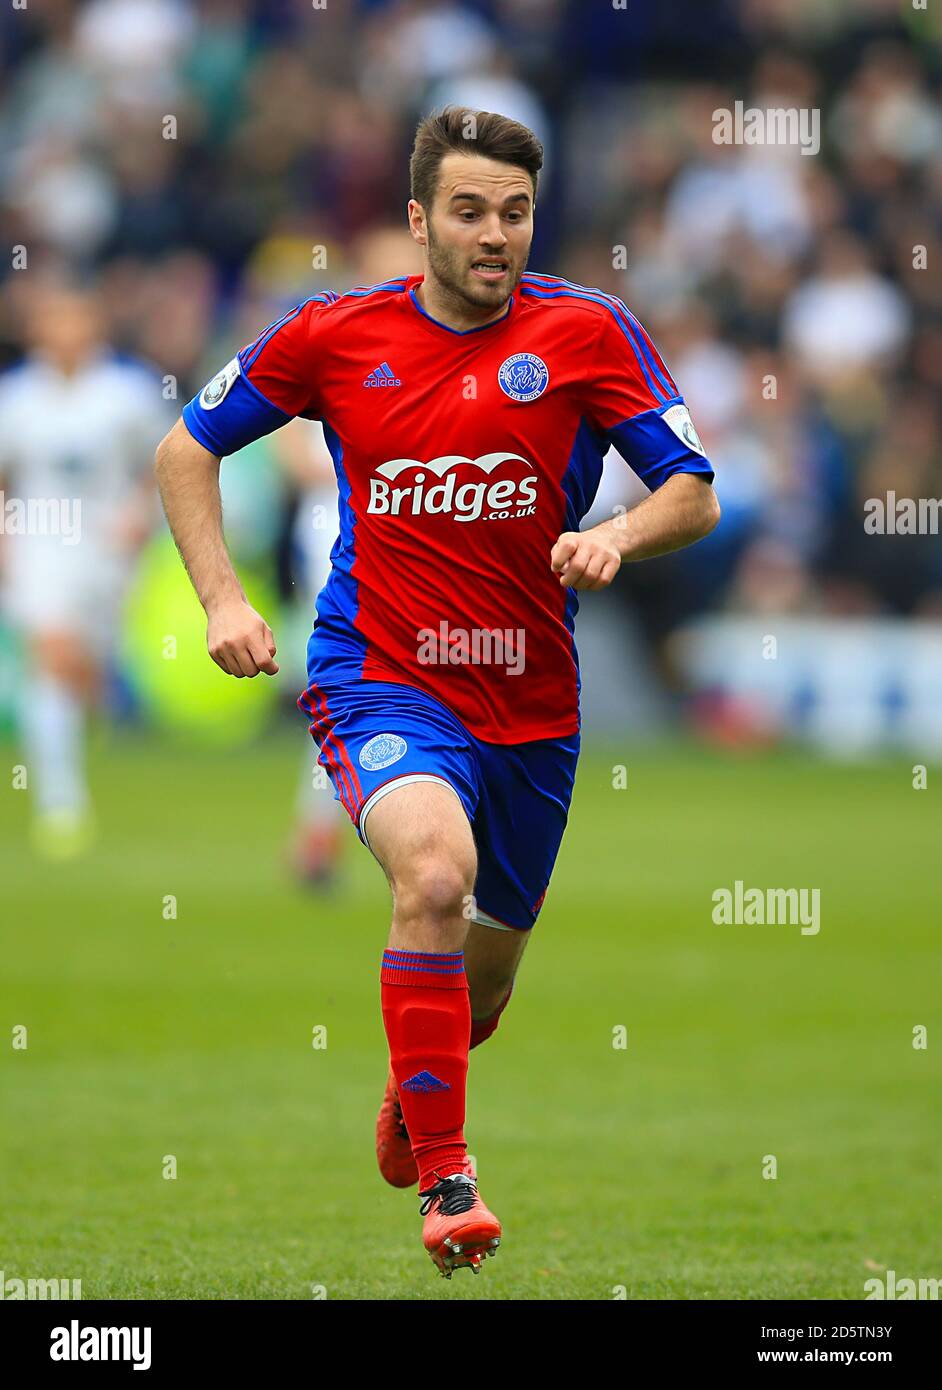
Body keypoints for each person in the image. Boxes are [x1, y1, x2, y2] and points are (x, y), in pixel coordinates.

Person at [154, 106, 720, 1278]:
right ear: (419, 219)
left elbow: (693, 492)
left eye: (515, 211)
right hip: (382, 675)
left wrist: (617, 533)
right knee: (434, 875)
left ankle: (420, 1088)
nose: (495, 233)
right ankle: (451, 1178)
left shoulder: (589, 333)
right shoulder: (332, 336)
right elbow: (186, 449)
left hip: (532, 706)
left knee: (488, 980)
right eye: (468, 210)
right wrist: (221, 599)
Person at [0, 279, 165, 856]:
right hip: (40, 540)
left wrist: (141, 514)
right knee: (52, 653)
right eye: (54, 320)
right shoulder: (16, 397)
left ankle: (73, 749)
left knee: (86, 672)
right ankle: (60, 802)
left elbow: (166, 460)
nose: (65, 333)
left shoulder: (129, 392)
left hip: (107, 545)